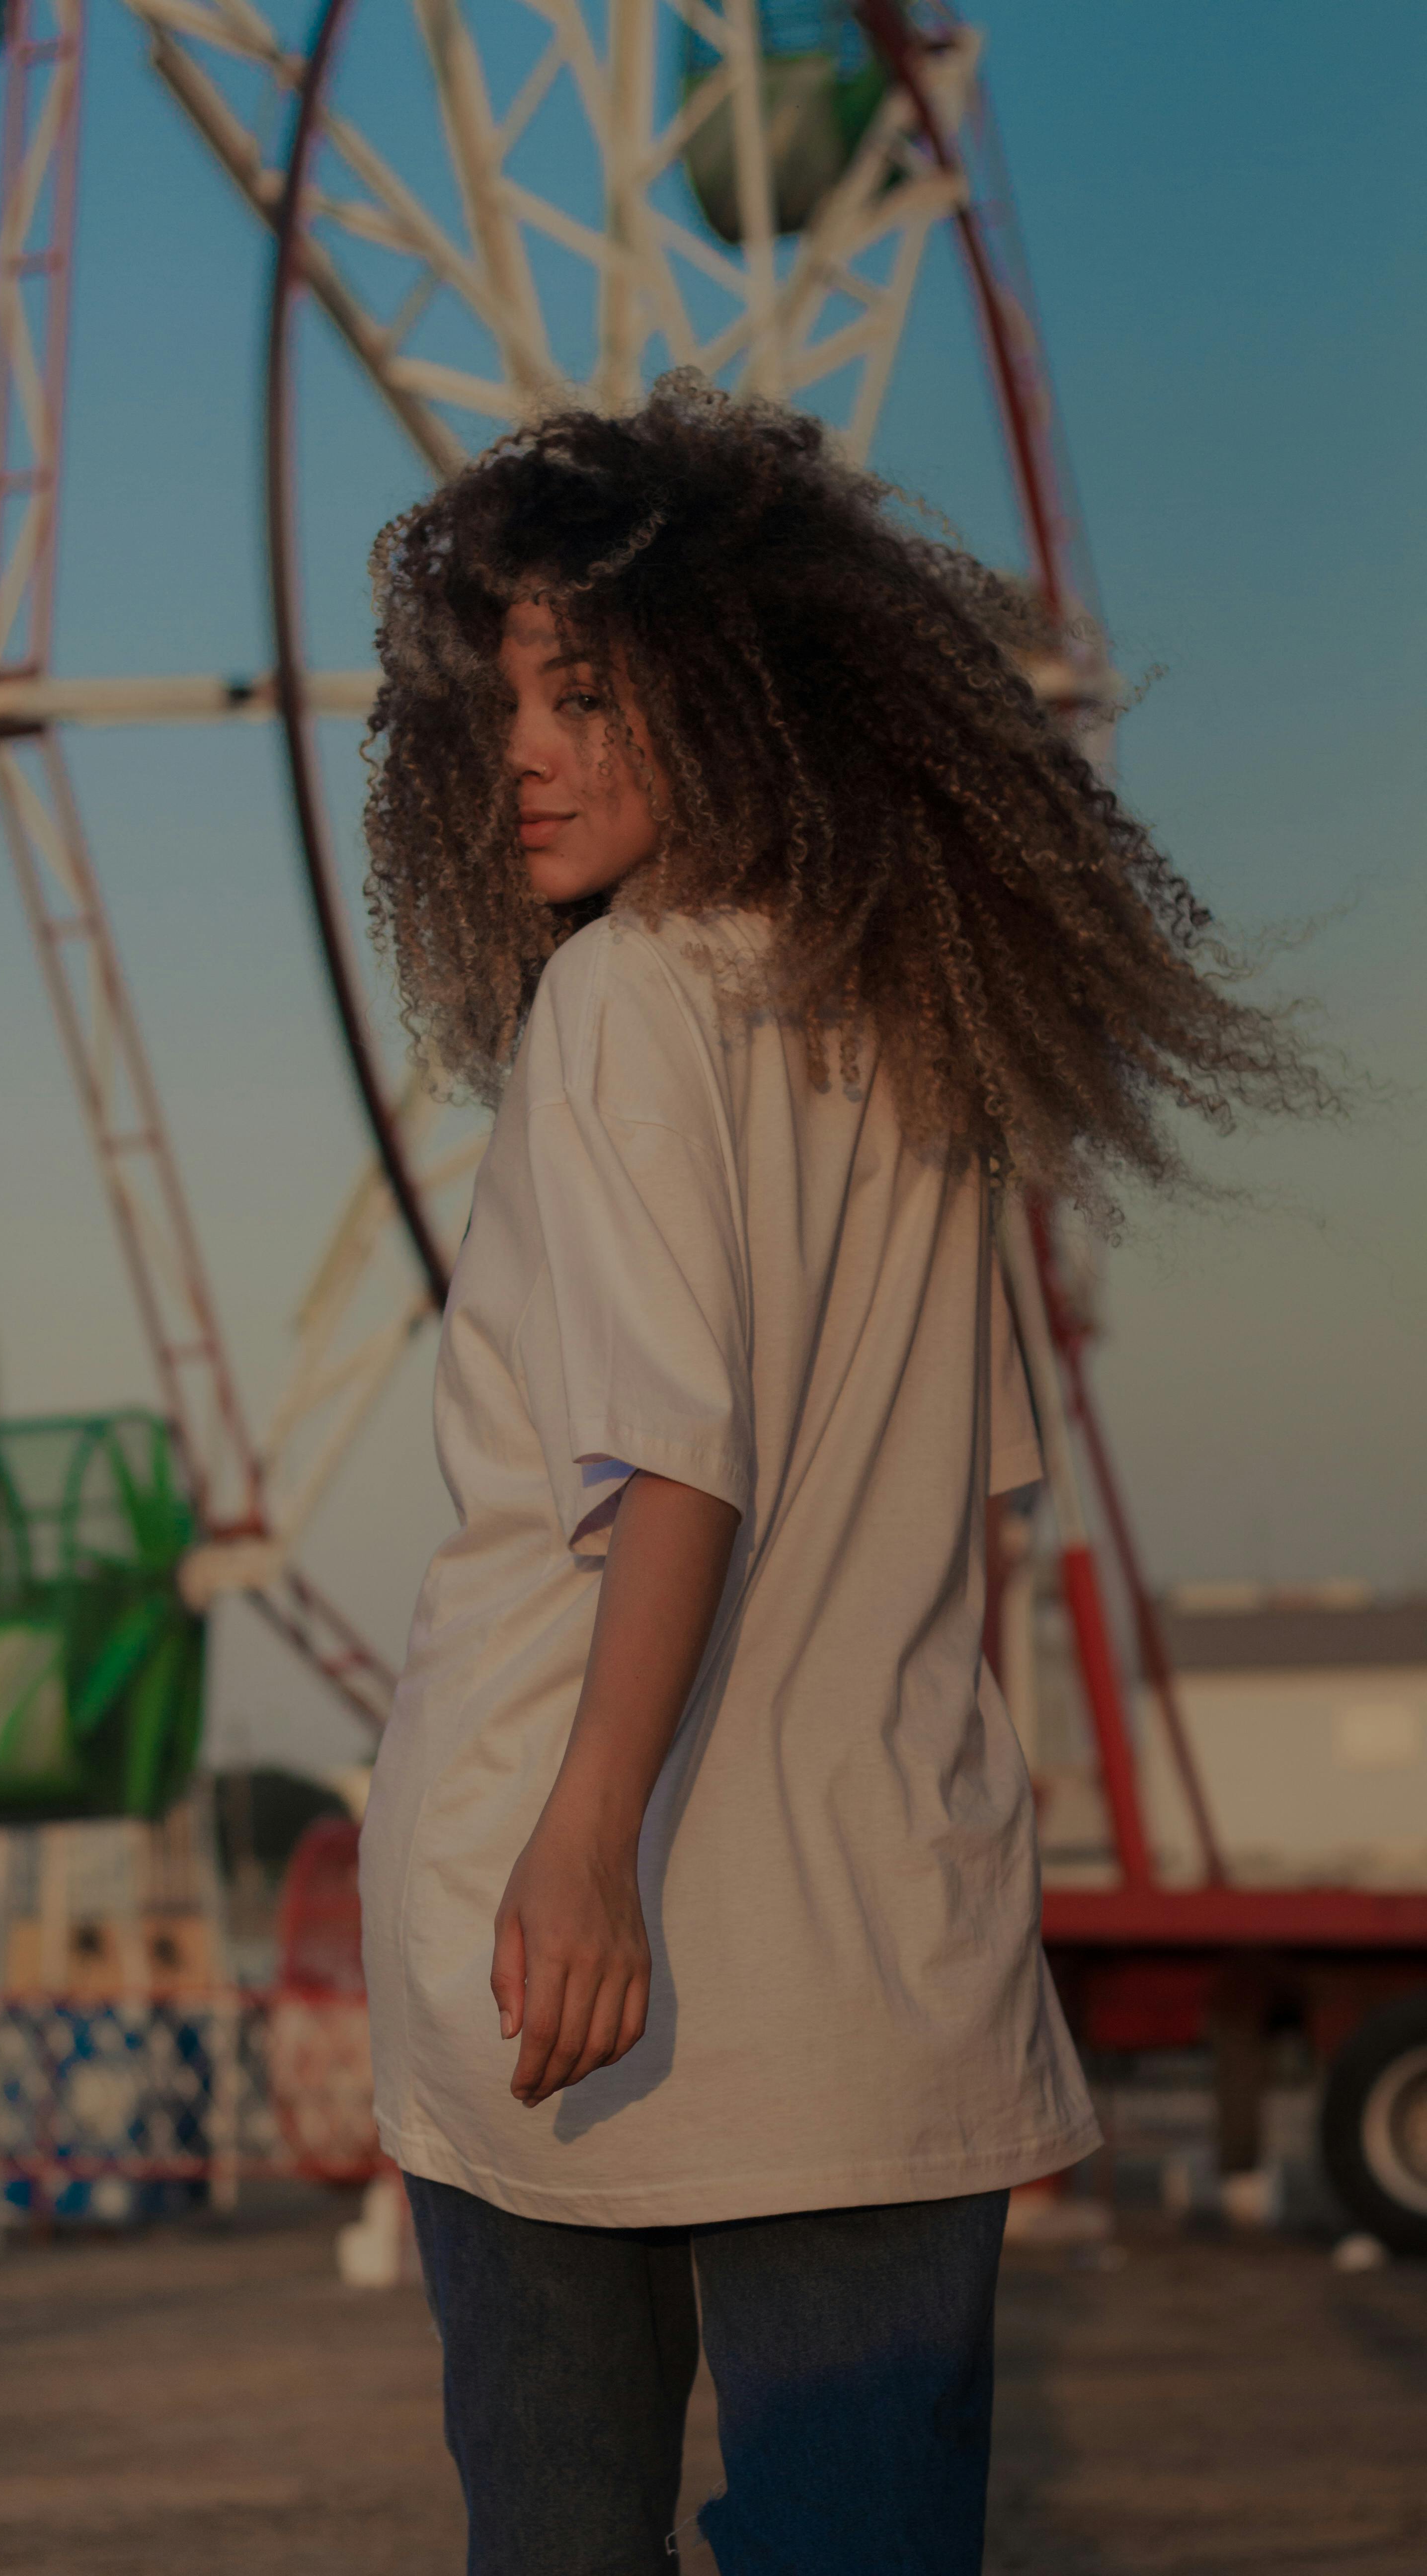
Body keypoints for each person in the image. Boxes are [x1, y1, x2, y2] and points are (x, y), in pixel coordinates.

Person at [356, 375, 1327, 2575]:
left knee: (560, 2539)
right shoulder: (923, 1029)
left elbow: (673, 1466)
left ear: (740, 691)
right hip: (884, 1947)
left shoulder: (622, 1006)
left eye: (582, 691)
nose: (515, 753)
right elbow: (955, 1516)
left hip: (560, 1934)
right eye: (496, 700)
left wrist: (591, 1837)